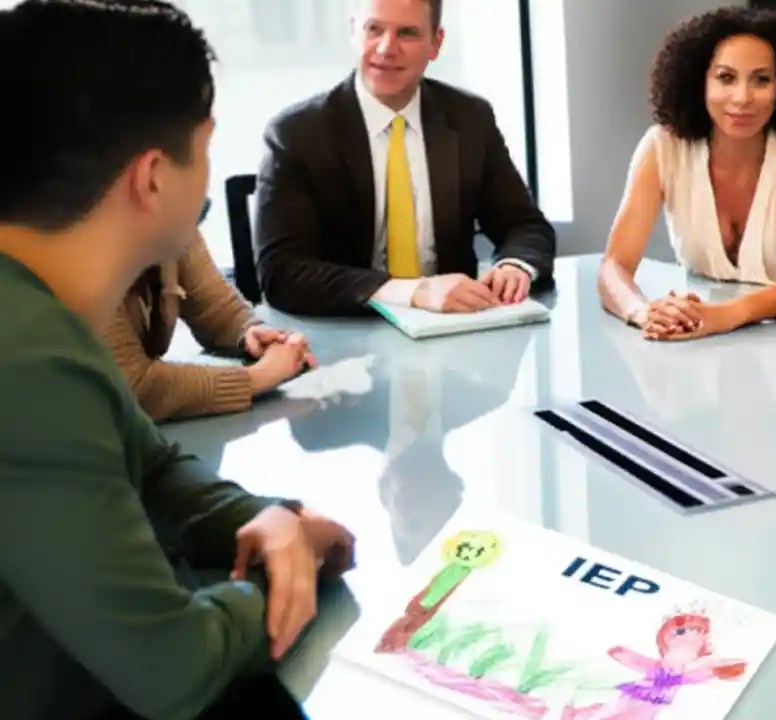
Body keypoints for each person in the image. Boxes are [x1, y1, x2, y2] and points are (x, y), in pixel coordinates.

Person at [0, 2, 355, 719]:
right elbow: (172, 668)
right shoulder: (28, 360)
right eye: (207, 144)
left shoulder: (47, 315)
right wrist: (295, 571)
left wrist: (273, 520)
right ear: (154, 177)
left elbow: (150, 462)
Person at [254, 0, 555, 317]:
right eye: (374, 29)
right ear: (353, 32)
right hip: (346, 336)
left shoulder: (469, 118)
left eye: (407, 33)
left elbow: (524, 225)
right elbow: (282, 272)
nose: (386, 48)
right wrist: (412, 292)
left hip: (454, 331)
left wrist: (514, 266)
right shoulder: (297, 133)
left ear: (435, 44)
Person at [596, 7, 776, 341]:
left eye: (762, 80)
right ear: (699, 82)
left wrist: (730, 314)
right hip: (714, 341)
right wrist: (643, 312)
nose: (742, 98)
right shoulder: (663, 147)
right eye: (726, 78)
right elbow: (613, 267)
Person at [106, 200, 317, 422]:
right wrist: (256, 378)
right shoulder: (80, 244)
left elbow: (216, 308)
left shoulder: (169, 213)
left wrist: (249, 331)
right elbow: (132, 386)